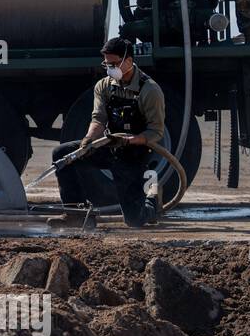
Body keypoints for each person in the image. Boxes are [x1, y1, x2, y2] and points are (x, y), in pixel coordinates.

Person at [51, 37, 165, 228]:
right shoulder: (103, 86)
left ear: (128, 61)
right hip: (107, 147)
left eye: (113, 64)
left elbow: (156, 131)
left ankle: (152, 201)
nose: (110, 68)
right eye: (106, 64)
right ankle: (76, 213)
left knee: (134, 221)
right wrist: (88, 140)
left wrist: (130, 140)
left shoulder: (150, 91)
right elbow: (99, 118)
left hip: (133, 156)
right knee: (62, 154)